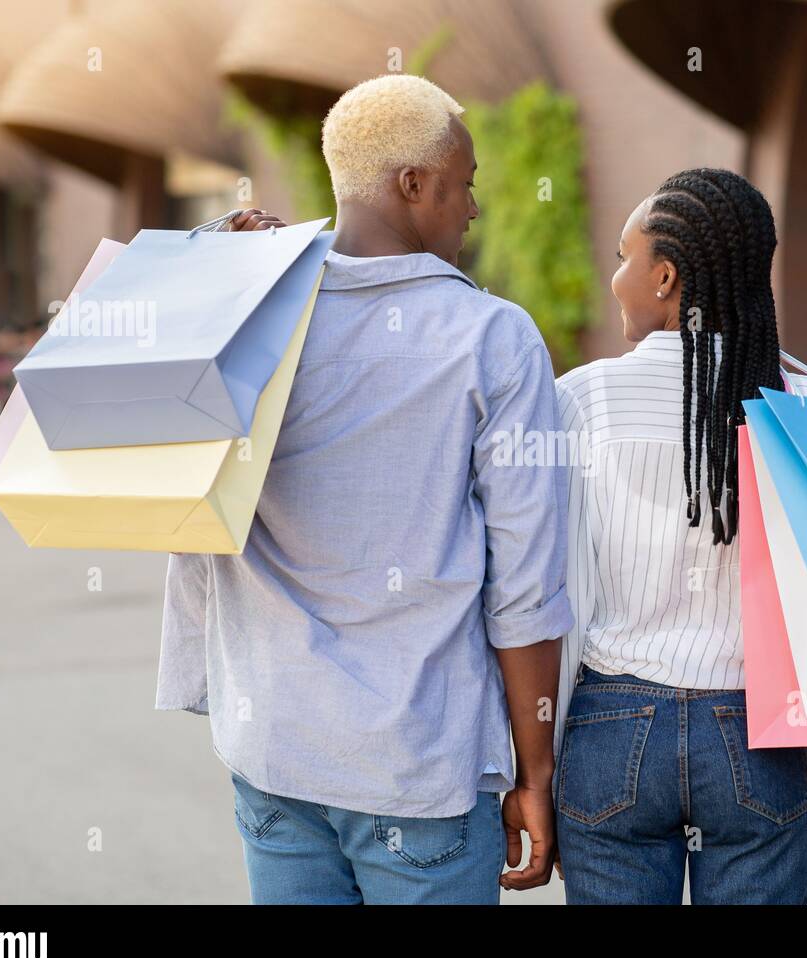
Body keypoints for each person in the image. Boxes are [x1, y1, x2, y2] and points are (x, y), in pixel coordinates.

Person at [156, 74, 571, 905]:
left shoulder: (245, 312)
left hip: (274, 757)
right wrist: (537, 769)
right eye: (466, 184)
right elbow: (526, 585)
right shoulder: (493, 339)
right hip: (415, 771)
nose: (475, 209)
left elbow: (135, 383)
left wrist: (212, 254)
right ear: (412, 184)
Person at [552, 168, 807, 904]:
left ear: (664, 276)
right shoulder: (802, 403)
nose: (615, 277)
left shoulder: (581, 398)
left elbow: (556, 594)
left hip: (611, 729)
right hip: (756, 729)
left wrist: (539, 765)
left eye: (621, 256)